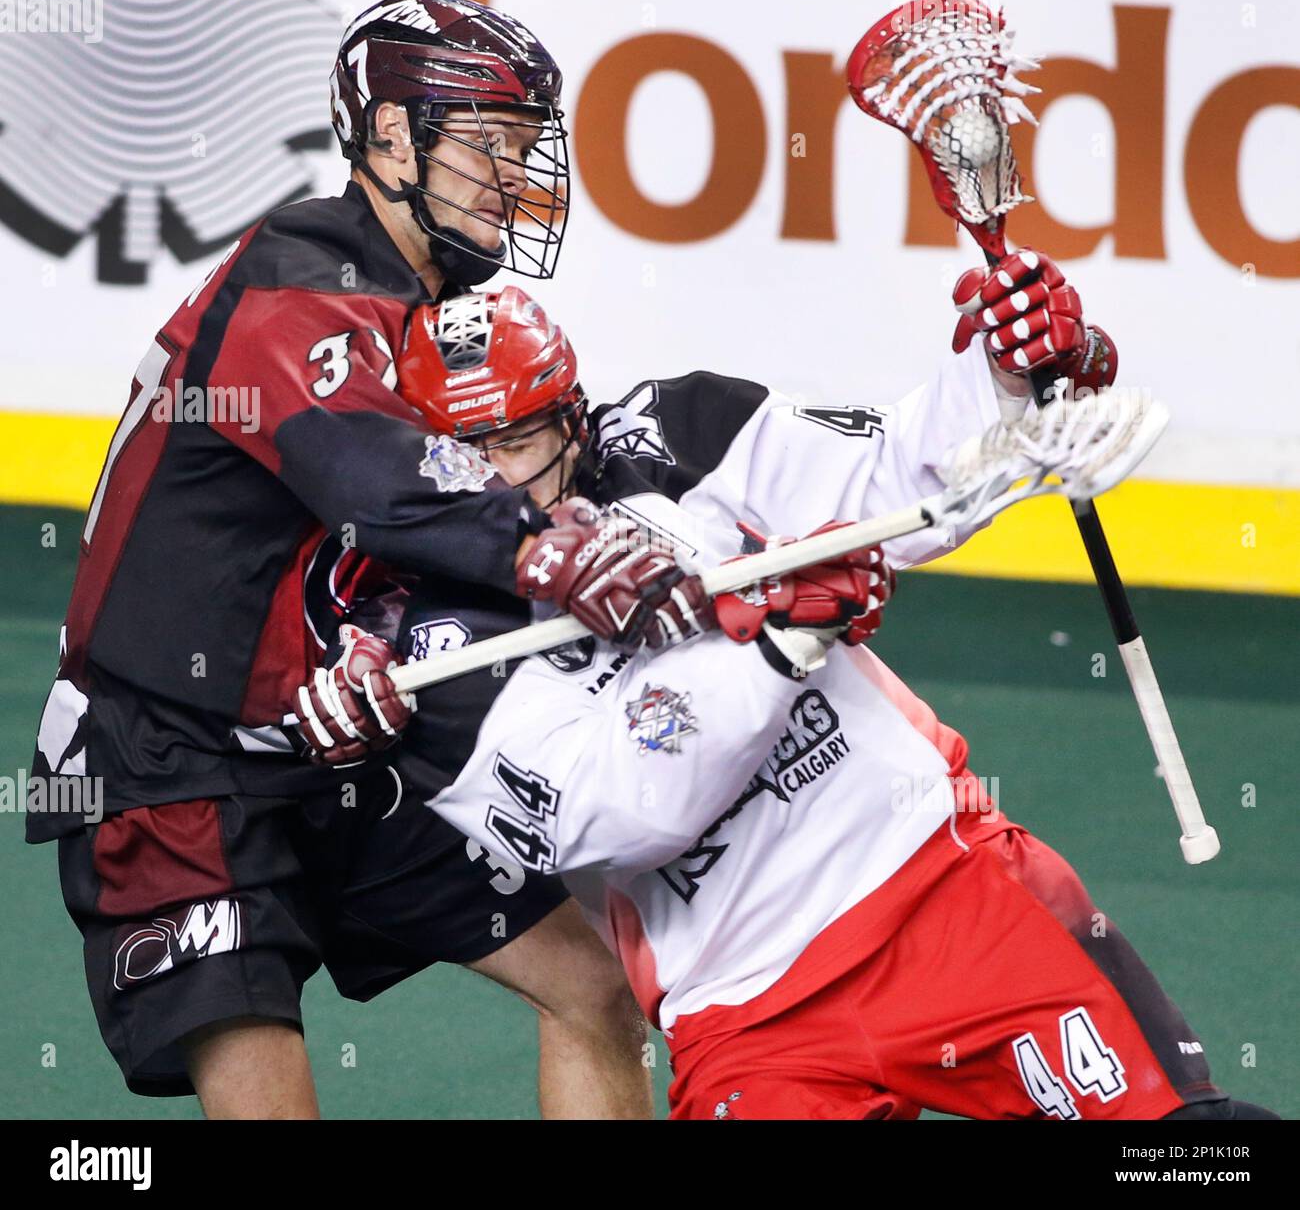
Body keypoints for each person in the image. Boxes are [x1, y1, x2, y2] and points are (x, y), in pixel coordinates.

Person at [305, 268, 1275, 1120]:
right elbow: (621, 813)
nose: (500, 481)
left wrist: (1004, 376)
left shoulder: (673, 430)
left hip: (939, 883)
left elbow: (892, 478)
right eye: (464, 455)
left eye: (518, 441)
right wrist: (777, 638)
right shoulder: (426, 648)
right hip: (745, 1009)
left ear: (572, 413)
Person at [28, 0, 706, 1118]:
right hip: (170, 765)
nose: (514, 176)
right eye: (489, 145)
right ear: (391, 135)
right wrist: (556, 555)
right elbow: (382, 485)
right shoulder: (300, 282)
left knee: (593, 991)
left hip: (333, 733)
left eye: (523, 148)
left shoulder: (410, 300)